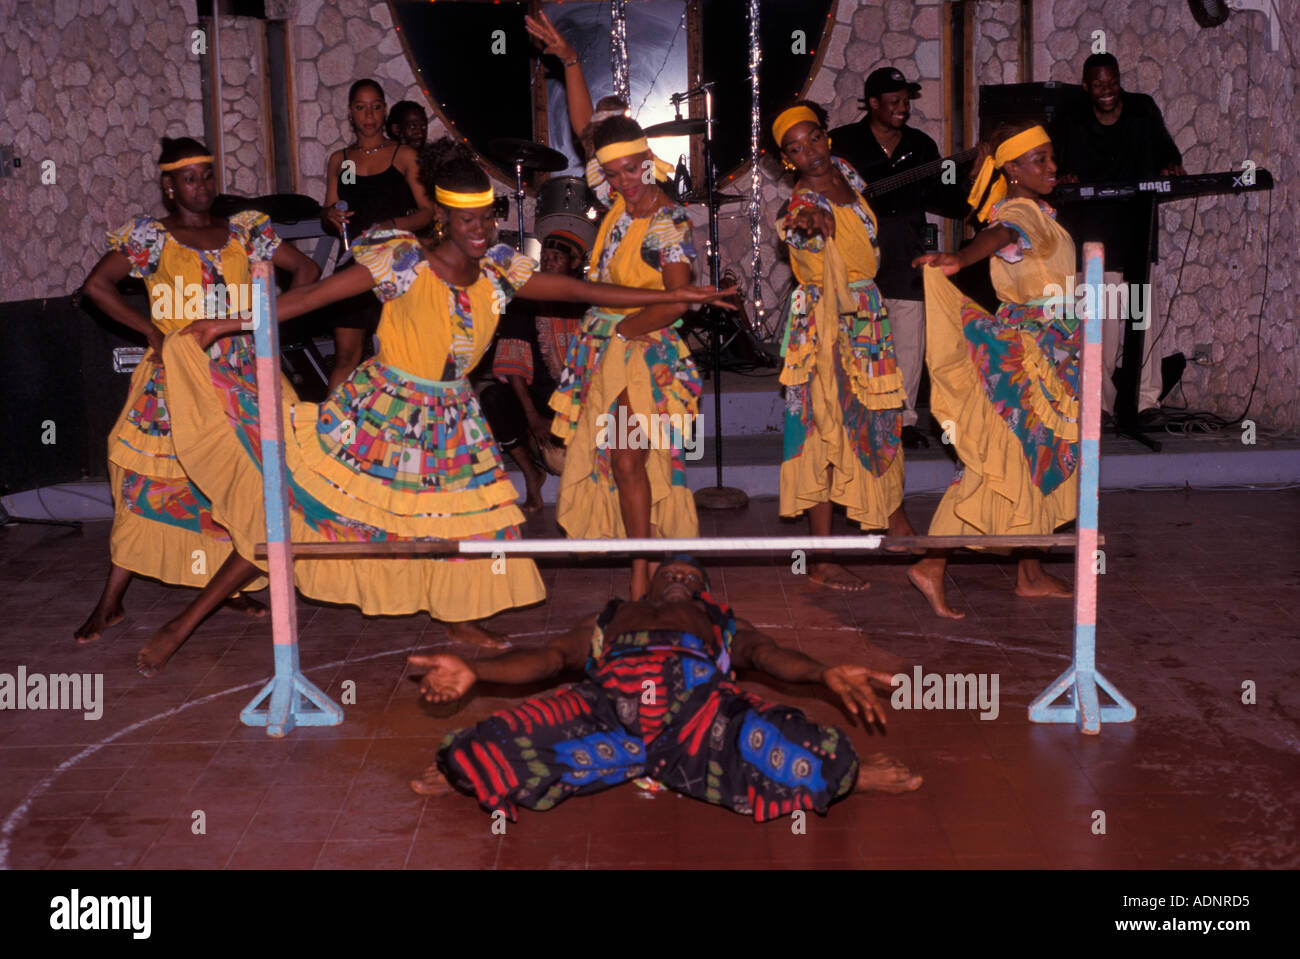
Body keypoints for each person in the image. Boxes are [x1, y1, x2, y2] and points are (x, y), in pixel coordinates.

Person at [149, 139, 734, 675]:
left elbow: (577, 290)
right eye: (467, 220)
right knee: (295, 510)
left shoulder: (500, 270)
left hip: (451, 418)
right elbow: (308, 297)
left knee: (456, 525)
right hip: (382, 411)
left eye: (487, 217)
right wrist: (225, 322)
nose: (480, 230)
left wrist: (670, 294)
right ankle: (185, 619)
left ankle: (455, 616)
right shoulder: (401, 261)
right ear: (445, 219)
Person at [408, 555, 922, 820]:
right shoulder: (610, 616)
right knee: (474, 751)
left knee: (822, 755)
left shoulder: (718, 620)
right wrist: (480, 672)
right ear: (649, 584)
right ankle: (634, 759)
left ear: (702, 590)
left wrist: (820, 672)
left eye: (692, 575)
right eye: (670, 571)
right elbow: (549, 659)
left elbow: (767, 656)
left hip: (698, 718)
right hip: (606, 716)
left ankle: (850, 779)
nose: (681, 575)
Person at [74, 137, 319, 663]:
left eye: (208, 175)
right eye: (190, 178)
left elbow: (308, 274)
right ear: (169, 186)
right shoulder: (152, 239)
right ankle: (110, 602)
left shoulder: (245, 232)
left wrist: (261, 319)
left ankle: (227, 590)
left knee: (250, 482)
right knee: (146, 485)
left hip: (244, 377)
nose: (202, 185)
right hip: (176, 382)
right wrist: (152, 333)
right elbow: (96, 286)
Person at [528, 12, 709, 601]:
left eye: (632, 169)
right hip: (606, 348)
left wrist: (627, 327)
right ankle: (646, 562)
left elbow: (677, 300)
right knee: (622, 459)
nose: (623, 180)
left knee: (630, 459)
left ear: (649, 163)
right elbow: (589, 134)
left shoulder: (664, 220)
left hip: (638, 348)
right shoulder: (616, 200)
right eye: (614, 172)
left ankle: (642, 574)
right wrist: (571, 62)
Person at [909, 123, 1079, 619]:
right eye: (1039, 160)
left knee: (1036, 460)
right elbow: (1000, 234)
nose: (1050, 167)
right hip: (1029, 362)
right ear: (1011, 169)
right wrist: (959, 258)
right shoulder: (1020, 211)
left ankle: (1028, 574)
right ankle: (931, 562)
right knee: (997, 463)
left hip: (1049, 356)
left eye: (1051, 157)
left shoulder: (1041, 209)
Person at [772, 102, 919, 592]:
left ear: (826, 135)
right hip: (825, 326)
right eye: (795, 148)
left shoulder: (848, 173)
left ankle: (897, 530)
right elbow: (793, 222)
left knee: (873, 419)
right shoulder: (801, 201)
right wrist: (808, 220)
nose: (808, 152)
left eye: (812, 138)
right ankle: (824, 556)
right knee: (826, 425)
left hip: (866, 318)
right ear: (786, 159)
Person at [830, 67, 971, 449]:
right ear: (873, 103)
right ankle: (858, 413)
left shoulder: (922, 146)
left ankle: (904, 420)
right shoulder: (841, 143)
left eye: (906, 102)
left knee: (908, 342)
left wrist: (977, 177)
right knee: (859, 339)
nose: (902, 109)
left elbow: (946, 198)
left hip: (907, 254)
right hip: (858, 260)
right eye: (894, 103)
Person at [1050, 52, 1185, 420]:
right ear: (1085, 86)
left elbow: (1168, 153)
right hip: (1093, 239)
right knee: (1100, 333)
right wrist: (1063, 176)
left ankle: (1145, 402)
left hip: (1137, 237)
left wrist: (1171, 166)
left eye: (1112, 82)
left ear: (1119, 80)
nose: (1106, 91)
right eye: (1098, 84)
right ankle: (1100, 405)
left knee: (1142, 321)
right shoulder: (1071, 118)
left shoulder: (1142, 110)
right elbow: (1053, 168)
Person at [320, 79, 434, 390]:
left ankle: (393, 429)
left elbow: (428, 212)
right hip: (354, 264)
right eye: (360, 108)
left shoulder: (404, 156)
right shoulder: (340, 161)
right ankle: (334, 432)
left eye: (375, 107)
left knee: (395, 357)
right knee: (345, 357)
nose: (368, 115)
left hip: (397, 264)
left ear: (384, 112)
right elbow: (330, 211)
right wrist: (329, 215)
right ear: (350, 113)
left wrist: (391, 224)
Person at [479, 229, 590, 513]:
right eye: (545, 257)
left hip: (582, 402)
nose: (549, 262)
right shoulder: (526, 302)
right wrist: (533, 417)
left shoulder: (589, 303)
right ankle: (532, 474)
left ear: (574, 264)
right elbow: (513, 366)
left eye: (557, 257)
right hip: (539, 401)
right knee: (493, 397)